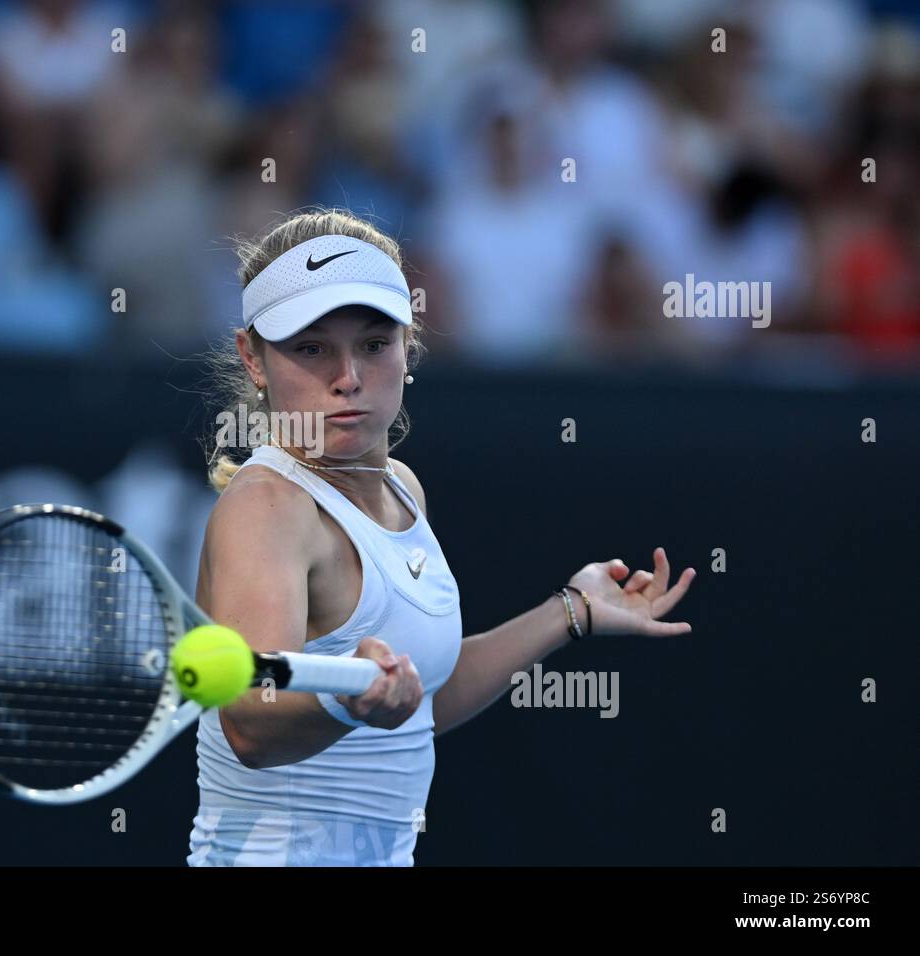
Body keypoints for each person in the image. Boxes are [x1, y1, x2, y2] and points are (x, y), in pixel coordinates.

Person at [186, 208, 695, 866]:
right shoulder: (268, 507)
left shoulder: (402, 487)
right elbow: (251, 723)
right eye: (310, 348)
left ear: (407, 346)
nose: (348, 376)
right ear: (252, 358)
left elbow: (418, 700)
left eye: (374, 343)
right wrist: (352, 706)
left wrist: (571, 611)